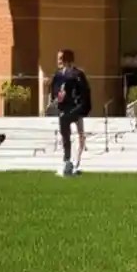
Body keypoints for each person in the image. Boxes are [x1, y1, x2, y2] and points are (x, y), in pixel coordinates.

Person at [50, 49, 91, 177]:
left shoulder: (77, 74)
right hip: (64, 109)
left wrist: (82, 108)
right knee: (66, 136)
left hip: (75, 109)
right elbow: (54, 91)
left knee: (80, 136)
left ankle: (75, 162)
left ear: (66, 59)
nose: (58, 61)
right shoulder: (58, 75)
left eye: (60, 58)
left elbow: (85, 92)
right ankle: (68, 161)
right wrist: (57, 98)